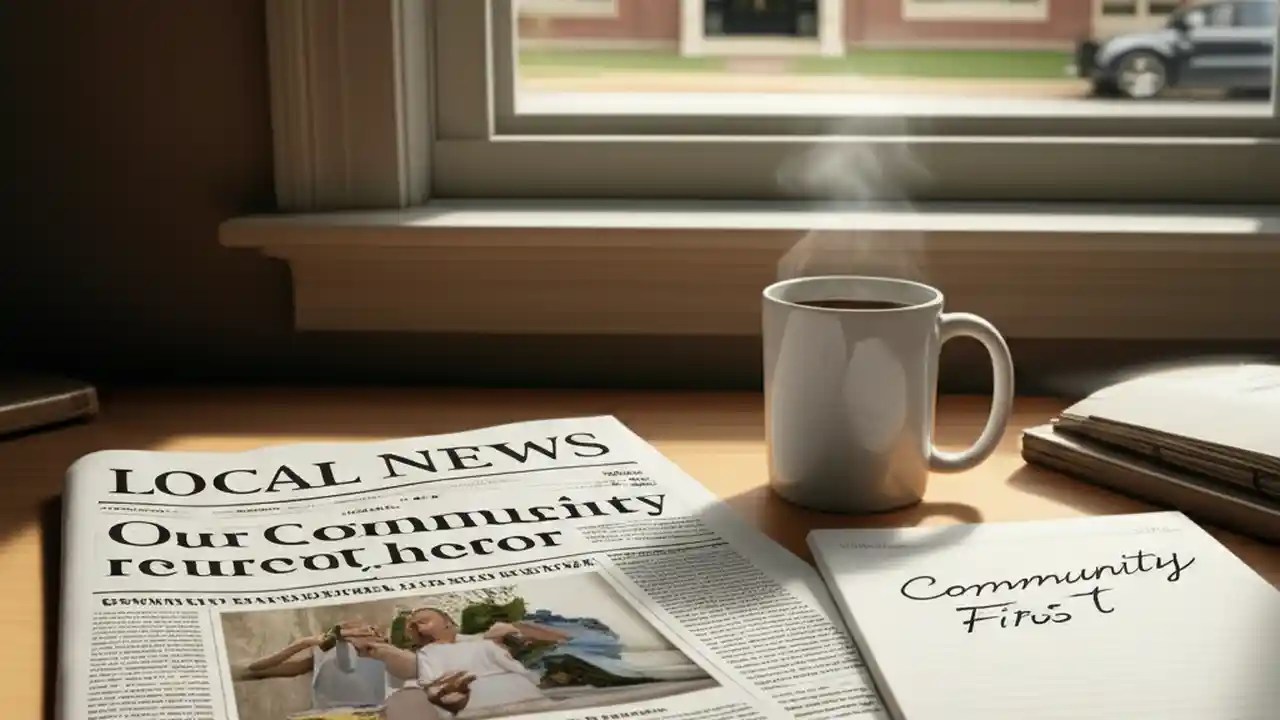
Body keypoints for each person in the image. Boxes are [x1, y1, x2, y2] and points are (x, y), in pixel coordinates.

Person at [405, 607, 548, 715]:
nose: (419, 626)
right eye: (415, 625)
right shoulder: (428, 652)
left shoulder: (481, 641)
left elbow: (511, 664)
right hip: (472, 695)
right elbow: (430, 684)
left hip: (514, 689)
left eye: (424, 621)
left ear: (447, 622)